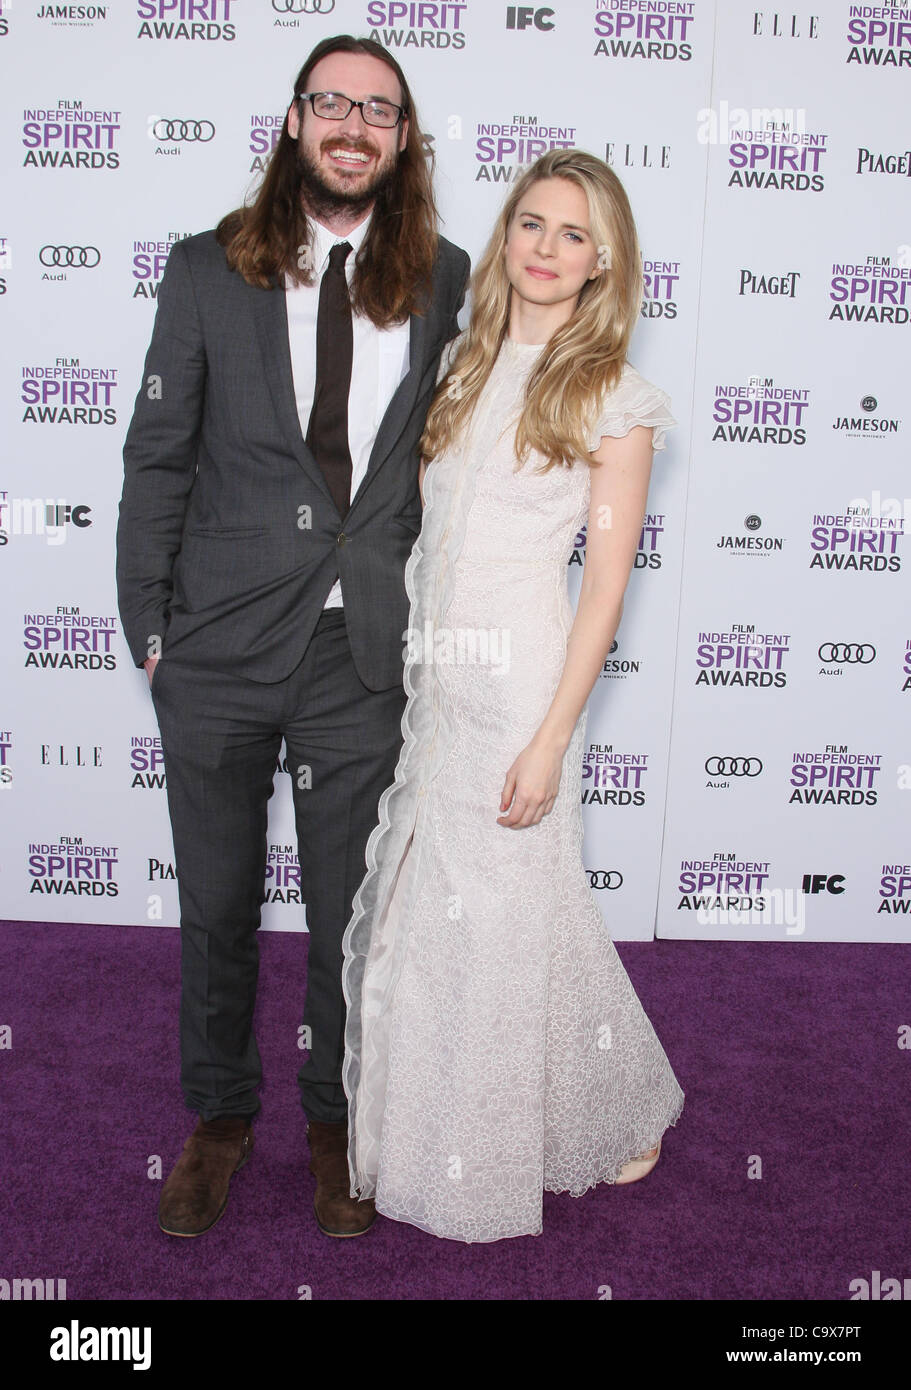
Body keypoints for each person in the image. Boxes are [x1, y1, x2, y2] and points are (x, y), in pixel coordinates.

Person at [115, 33, 470, 1240]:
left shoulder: (447, 275)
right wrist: (149, 630)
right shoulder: (207, 268)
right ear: (292, 120)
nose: (354, 126)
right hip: (213, 645)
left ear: (404, 138)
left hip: (355, 647)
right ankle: (218, 1116)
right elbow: (158, 455)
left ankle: (338, 1123)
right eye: (334, 103)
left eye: (380, 109)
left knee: (347, 911)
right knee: (215, 905)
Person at [341, 148, 685, 1243]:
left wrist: (550, 738)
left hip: (524, 685)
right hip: (442, 681)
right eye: (529, 223)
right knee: (457, 910)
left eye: (571, 234)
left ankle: (564, 1122)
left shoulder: (613, 396)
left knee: (505, 909)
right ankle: (451, 1119)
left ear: (602, 263)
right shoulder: (461, 361)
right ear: (506, 239)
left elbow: (602, 593)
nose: (544, 247)